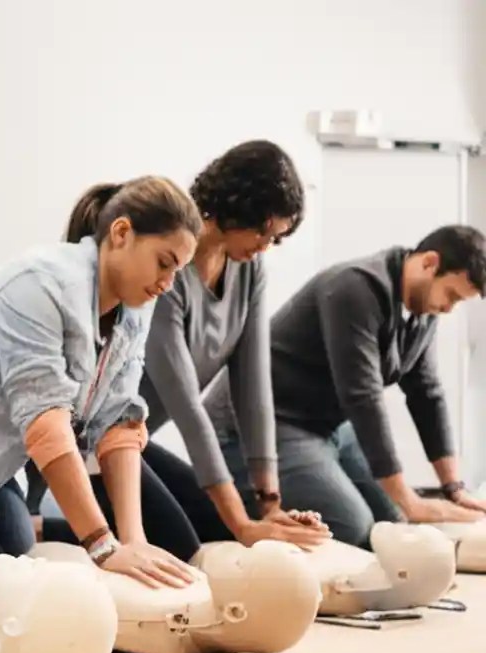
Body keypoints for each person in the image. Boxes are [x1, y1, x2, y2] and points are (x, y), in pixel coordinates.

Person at [0, 176, 203, 596]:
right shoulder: (43, 282)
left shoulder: (135, 308)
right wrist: (102, 546)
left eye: (177, 271)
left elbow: (119, 420)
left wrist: (132, 539)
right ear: (121, 233)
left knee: (15, 543)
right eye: (164, 262)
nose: (168, 282)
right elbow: (45, 422)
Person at [204, 224, 486, 548]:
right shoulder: (354, 286)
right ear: (429, 263)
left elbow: (427, 394)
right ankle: (226, 515)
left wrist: (454, 488)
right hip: (258, 424)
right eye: (451, 295)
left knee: (391, 521)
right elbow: (362, 397)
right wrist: (409, 499)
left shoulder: (423, 312)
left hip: (326, 426)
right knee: (352, 527)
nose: (449, 308)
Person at [134, 141, 331, 549]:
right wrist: (244, 525)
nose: (265, 245)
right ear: (236, 205)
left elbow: (254, 391)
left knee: (217, 527)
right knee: (187, 539)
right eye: (262, 231)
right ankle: (47, 527)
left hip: (136, 443)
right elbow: (187, 407)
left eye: (275, 239)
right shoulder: (170, 268)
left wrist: (269, 504)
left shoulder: (248, 271)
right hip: (97, 439)